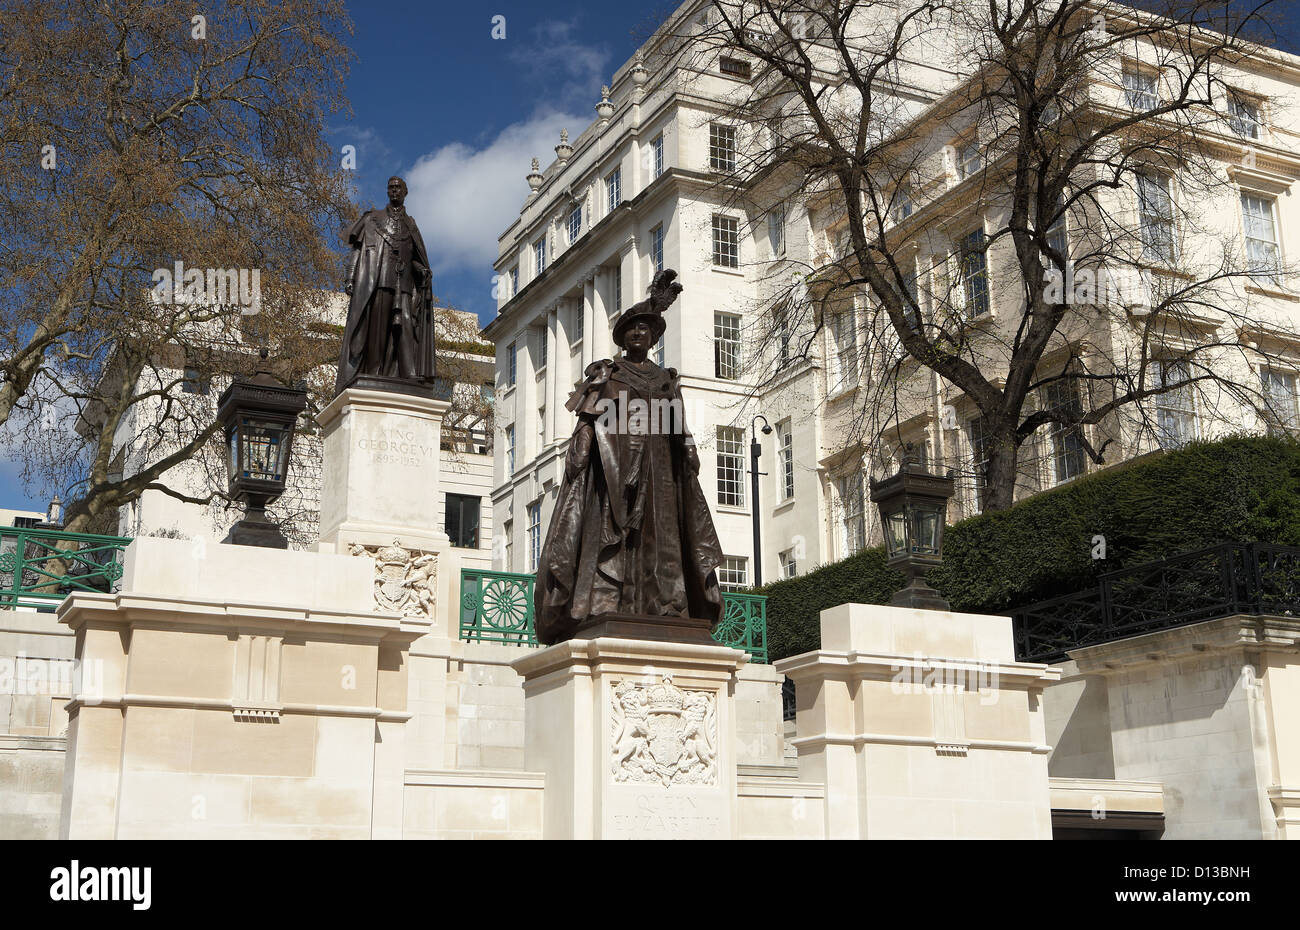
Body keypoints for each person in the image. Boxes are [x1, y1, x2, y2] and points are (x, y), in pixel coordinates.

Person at [534, 269, 724, 645]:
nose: (639, 333)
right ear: (623, 337)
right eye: (632, 328)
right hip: (618, 465)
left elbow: (677, 421)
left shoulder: (664, 378)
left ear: (654, 337)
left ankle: (665, 605)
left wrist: (688, 449)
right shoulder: (610, 373)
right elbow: (590, 414)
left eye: (646, 328)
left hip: (661, 467)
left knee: (663, 534)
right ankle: (608, 601)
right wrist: (583, 443)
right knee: (615, 532)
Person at [336, 176, 435, 392]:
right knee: (378, 329)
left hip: (405, 284)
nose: (394, 191)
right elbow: (357, 250)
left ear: (406, 192)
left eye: (398, 188)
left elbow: (416, 258)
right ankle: (373, 371)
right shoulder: (372, 218)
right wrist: (350, 277)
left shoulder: (411, 225)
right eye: (391, 187)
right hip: (379, 281)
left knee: (406, 327)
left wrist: (423, 271)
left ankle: (409, 372)